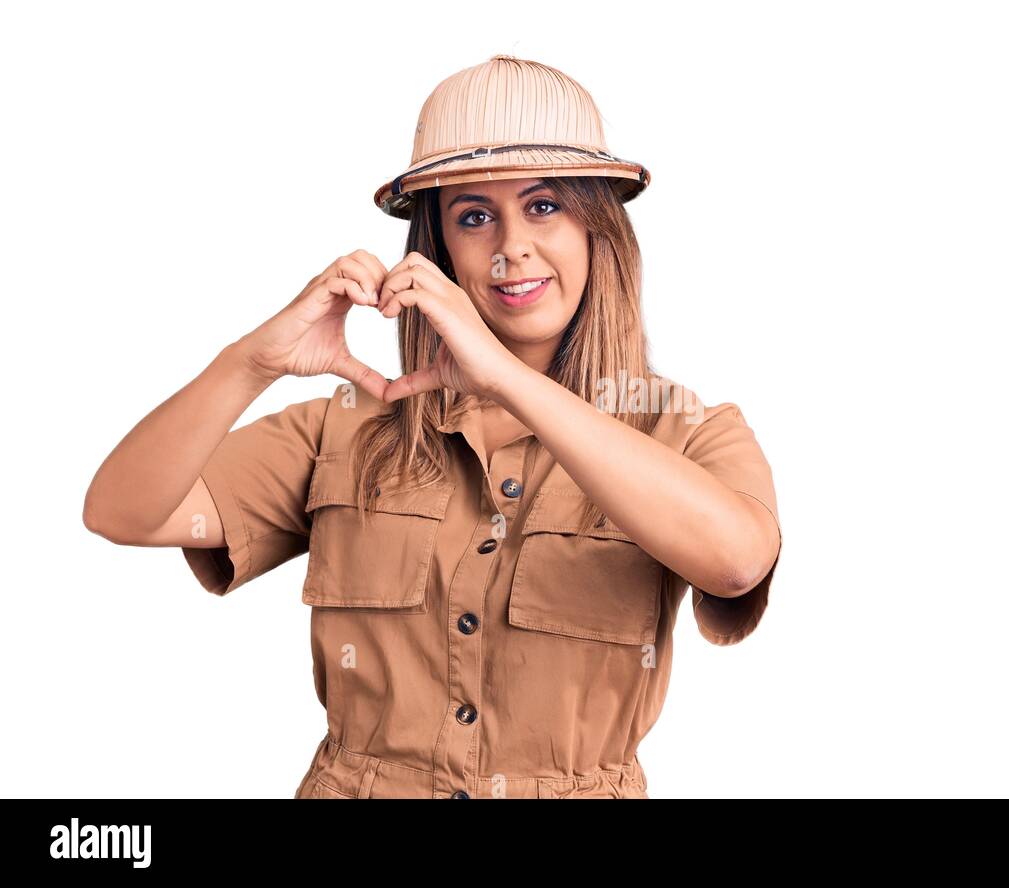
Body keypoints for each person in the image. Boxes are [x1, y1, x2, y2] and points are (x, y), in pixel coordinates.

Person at [83, 54, 782, 799]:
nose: (512, 246)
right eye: (474, 216)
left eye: (544, 206)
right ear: (438, 250)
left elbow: (737, 560)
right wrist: (249, 363)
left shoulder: (683, 431)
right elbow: (119, 511)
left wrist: (507, 379)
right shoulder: (346, 430)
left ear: (599, 230)